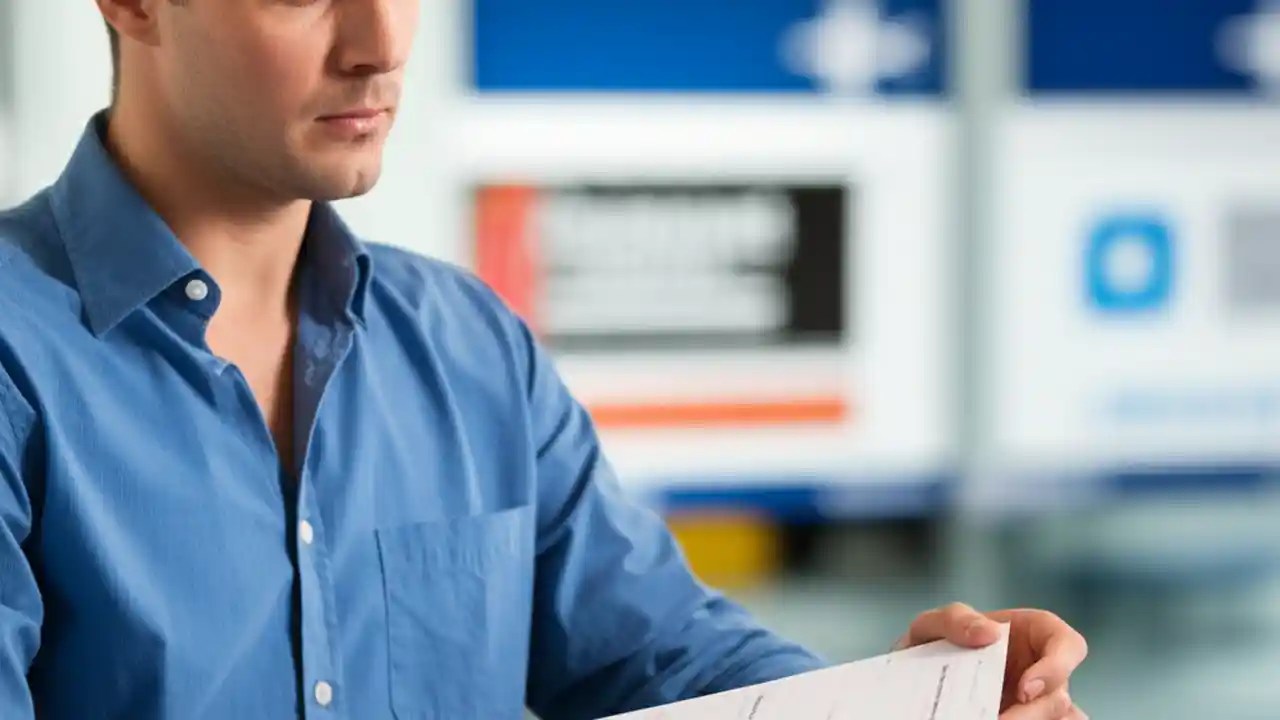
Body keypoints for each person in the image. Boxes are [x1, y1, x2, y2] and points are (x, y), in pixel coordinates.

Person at [0, 1, 1088, 718]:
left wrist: (920, 700)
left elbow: (660, 660)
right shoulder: (16, 358)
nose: (380, 42)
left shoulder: (468, 348)